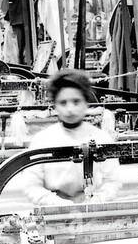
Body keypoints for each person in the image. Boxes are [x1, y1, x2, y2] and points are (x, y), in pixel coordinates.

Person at [20, 71, 120, 206]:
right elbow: (31, 185)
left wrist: (96, 201)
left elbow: (113, 181)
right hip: (53, 212)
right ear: (55, 106)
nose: (70, 109)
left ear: (86, 103)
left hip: (95, 211)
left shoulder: (101, 138)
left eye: (76, 102)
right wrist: (58, 204)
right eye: (63, 103)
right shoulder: (42, 141)